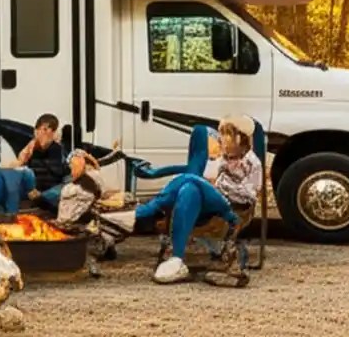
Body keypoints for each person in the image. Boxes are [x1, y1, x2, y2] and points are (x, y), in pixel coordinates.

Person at [107, 116, 260, 284]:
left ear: (239, 138)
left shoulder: (252, 163)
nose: (220, 139)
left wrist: (220, 185)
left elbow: (249, 194)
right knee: (189, 189)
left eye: (225, 135)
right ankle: (177, 260)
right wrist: (210, 181)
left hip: (232, 208)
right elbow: (206, 177)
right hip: (212, 202)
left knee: (191, 180)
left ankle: (141, 213)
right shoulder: (222, 159)